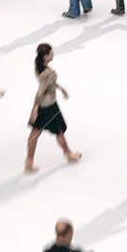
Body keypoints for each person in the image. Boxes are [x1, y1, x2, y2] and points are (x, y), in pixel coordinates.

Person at [24, 42, 81, 171]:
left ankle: (29, 162)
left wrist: (61, 89)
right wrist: (35, 110)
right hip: (49, 107)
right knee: (59, 131)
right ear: (45, 56)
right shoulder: (48, 73)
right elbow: (40, 91)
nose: (53, 54)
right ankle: (68, 154)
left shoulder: (39, 68)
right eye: (51, 53)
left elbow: (49, 85)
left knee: (34, 135)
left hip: (44, 106)